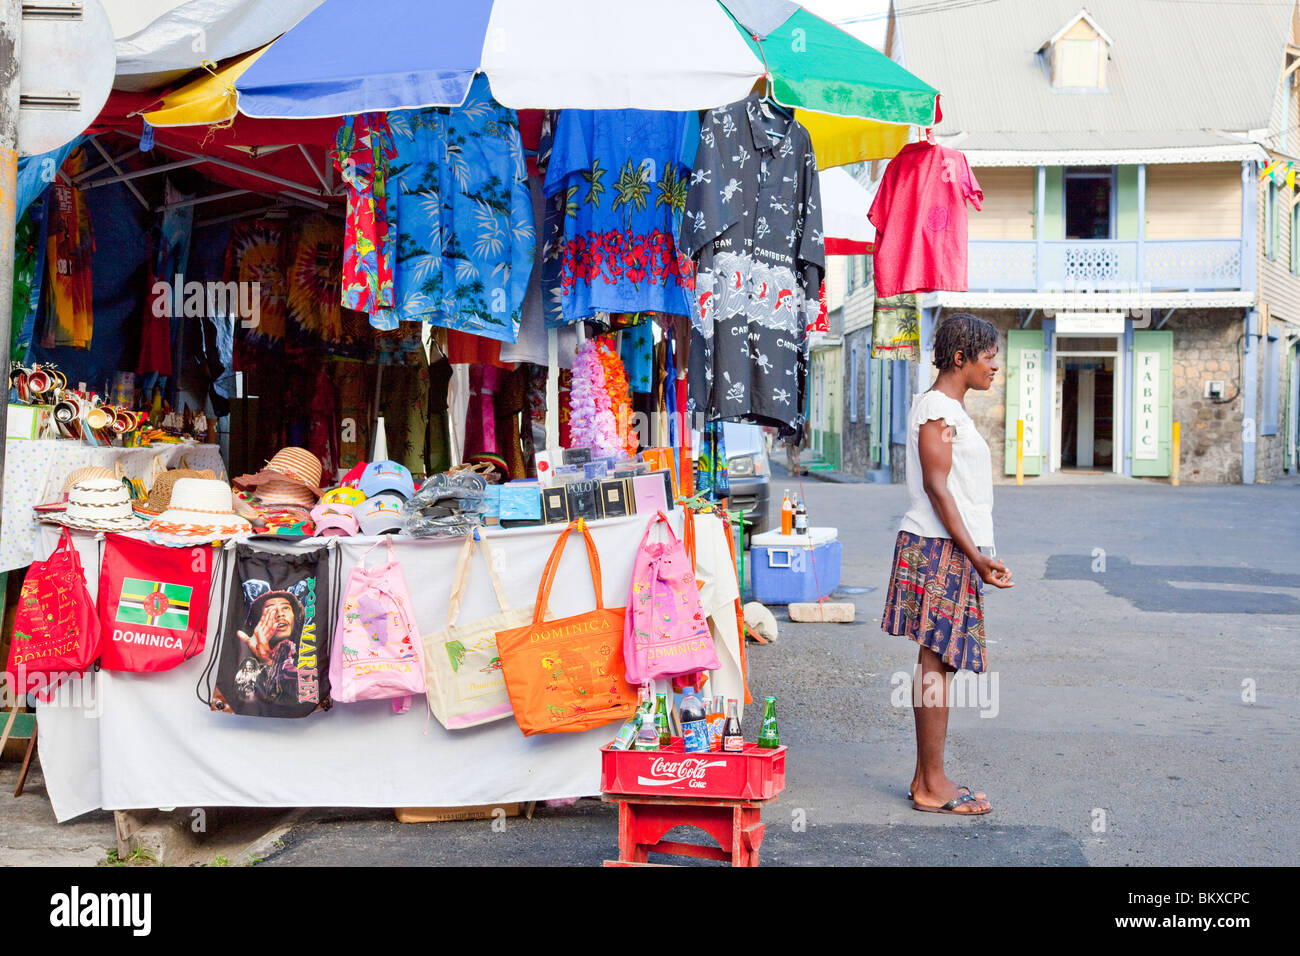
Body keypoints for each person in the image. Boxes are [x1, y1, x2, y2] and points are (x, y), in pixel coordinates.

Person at [881, 313, 1014, 815]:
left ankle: (925, 779)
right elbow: (938, 490)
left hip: (948, 548)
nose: (994, 366)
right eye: (988, 356)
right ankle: (933, 784)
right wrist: (976, 556)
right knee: (937, 662)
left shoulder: (948, 409)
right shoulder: (937, 409)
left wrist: (978, 553)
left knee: (941, 662)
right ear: (960, 358)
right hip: (938, 547)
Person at [235, 590, 304, 703]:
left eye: (285, 608)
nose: (280, 614)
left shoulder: (305, 651)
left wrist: (267, 659)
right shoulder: (244, 660)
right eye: (270, 610)